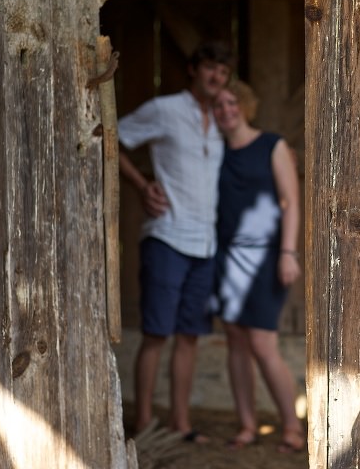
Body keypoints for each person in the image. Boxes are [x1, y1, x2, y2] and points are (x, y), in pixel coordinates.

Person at [117, 41, 234, 443]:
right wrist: (140, 185)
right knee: (156, 334)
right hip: (166, 236)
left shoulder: (222, 121)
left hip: (205, 245)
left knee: (189, 337)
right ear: (192, 69)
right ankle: (145, 424)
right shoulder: (164, 109)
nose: (216, 77)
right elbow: (108, 135)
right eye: (210, 69)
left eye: (223, 72)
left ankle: (180, 424)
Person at [211, 80, 305, 453]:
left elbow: (291, 203)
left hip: (266, 256)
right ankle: (248, 425)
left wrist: (288, 253)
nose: (226, 110)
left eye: (232, 102)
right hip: (224, 257)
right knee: (235, 340)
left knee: (263, 343)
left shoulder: (272, 145)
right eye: (218, 105)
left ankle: (292, 427)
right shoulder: (213, 152)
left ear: (245, 105)